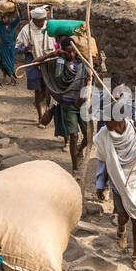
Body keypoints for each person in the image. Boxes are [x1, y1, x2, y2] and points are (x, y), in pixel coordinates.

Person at [94, 97, 136, 271]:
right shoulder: (103, 135)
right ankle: (121, 227)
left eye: (107, 118)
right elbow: (101, 160)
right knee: (123, 216)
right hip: (117, 179)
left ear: (119, 119)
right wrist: (101, 183)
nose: (104, 121)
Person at [39, 36, 92, 175]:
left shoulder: (84, 63)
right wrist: (52, 54)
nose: (71, 54)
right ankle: (75, 168)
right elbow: (35, 62)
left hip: (83, 104)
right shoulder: (58, 62)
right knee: (73, 135)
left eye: (73, 51)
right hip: (68, 104)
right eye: (68, 52)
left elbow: (96, 71)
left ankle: (79, 150)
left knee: (89, 135)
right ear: (62, 50)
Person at [94, 74, 131, 205]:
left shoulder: (128, 99)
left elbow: (133, 118)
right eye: (117, 91)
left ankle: (118, 202)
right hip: (106, 134)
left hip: (122, 136)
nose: (120, 94)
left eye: (122, 91)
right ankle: (102, 185)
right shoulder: (102, 97)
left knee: (119, 165)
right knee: (104, 162)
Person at [16, 5, 55, 125]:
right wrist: (26, 48)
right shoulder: (26, 30)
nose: (43, 22)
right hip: (33, 62)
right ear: (34, 19)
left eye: (44, 19)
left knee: (48, 90)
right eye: (41, 20)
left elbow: (56, 42)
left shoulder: (49, 27)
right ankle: (40, 115)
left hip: (49, 62)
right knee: (38, 90)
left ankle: (37, 103)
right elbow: (18, 47)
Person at [0, 3, 22, 77]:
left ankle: (11, 76)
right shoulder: (0, 24)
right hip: (3, 46)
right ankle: (5, 77)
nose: (5, 19)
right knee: (4, 61)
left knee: (11, 61)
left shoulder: (12, 24)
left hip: (11, 46)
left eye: (7, 17)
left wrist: (17, 8)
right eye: (4, 18)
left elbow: (18, 18)